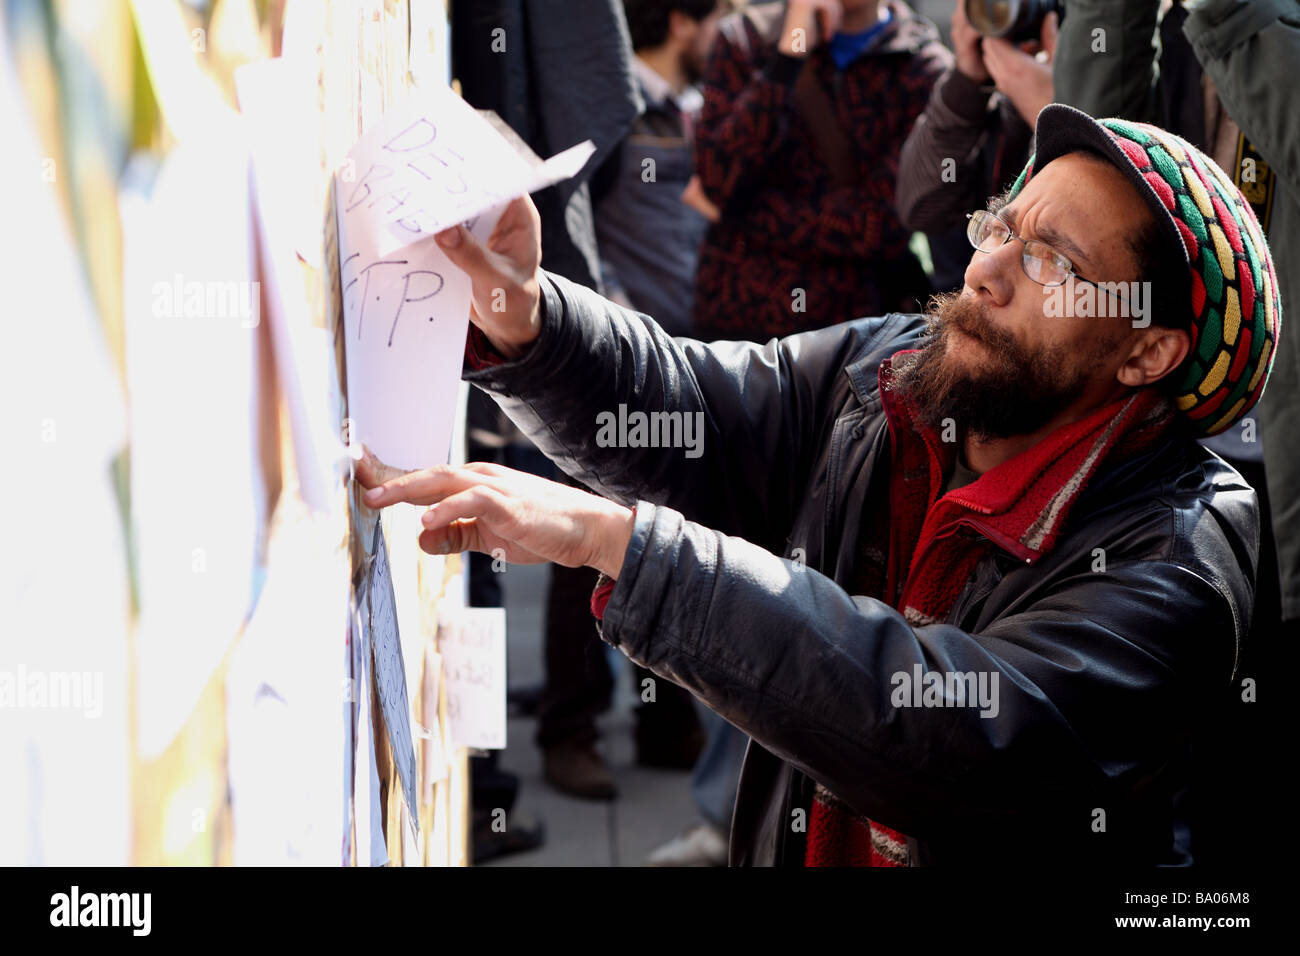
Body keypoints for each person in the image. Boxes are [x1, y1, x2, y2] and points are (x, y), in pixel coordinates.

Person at [360, 104, 1279, 865]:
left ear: (1147, 350)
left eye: (1053, 262)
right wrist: (520, 310)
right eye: (1001, 225)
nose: (987, 268)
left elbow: (941, 728)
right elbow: (695, 411)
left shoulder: (1180, 553)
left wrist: (625, 547)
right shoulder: (892, 371)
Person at [690, 0, 951, 339]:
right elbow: (718, 180)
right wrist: (788, 57)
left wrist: (743, 216)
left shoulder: (923, 67)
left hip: (850, 339)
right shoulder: (746, 39)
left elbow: (880, 226)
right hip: (735, 335)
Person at [896, 1, 1057, 291]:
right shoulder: (983, 100)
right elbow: (921, 210)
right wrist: (966, 80)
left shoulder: (1121, 92)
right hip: (960, 307)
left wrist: (1056, 115)